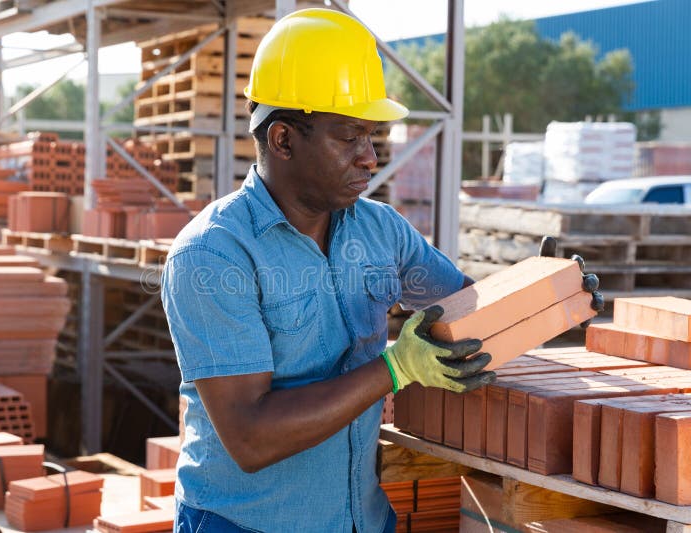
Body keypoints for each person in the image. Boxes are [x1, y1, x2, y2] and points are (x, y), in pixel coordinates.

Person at [161, 8, 602, 533]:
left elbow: (467, 312)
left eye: (373, 136)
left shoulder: (380, 233)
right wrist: (395, 368)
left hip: (360, 520)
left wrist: (543, 294)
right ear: (282, 140)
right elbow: (251, 437)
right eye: (349, 137)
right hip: (244, 524)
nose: (370, 158)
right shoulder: (213, 258)